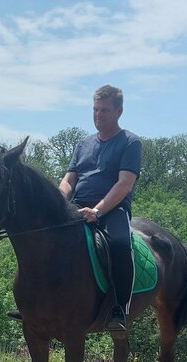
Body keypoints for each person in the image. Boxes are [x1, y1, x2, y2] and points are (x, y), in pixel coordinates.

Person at [59, 84, 142, 331]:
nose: (98, 115)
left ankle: (118, 309)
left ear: (119, 111)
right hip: (76, 207)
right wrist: (59, 200)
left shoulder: (130, 143)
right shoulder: (83, 144)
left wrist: (97, 211)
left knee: (119, 243)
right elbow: (69, 180)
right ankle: (37, 301)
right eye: (95, 109)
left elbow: (124, 184)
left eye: (104, 110)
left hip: (111, 210)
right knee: (45, 239)